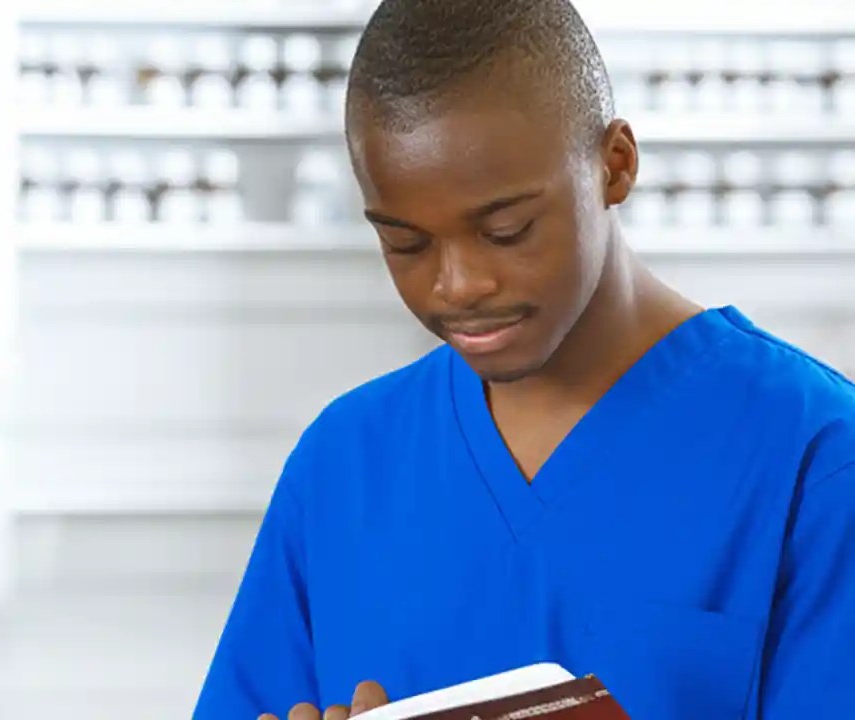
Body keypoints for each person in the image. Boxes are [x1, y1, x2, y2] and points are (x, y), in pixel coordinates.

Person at [192, 1, 855, 718]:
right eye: (406, 244)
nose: (458, 286)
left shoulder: (812, 459)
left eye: (506, 230)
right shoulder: (345, 462)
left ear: (615, 165)